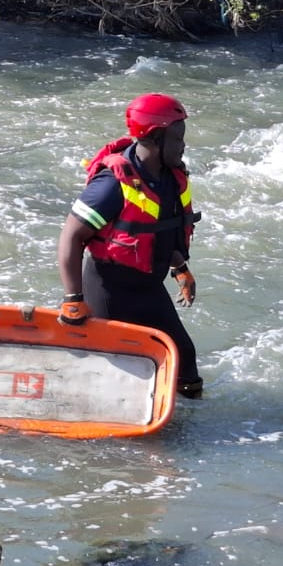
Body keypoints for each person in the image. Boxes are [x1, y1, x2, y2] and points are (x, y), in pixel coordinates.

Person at [56, 93, 204, 398]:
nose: (184, 146)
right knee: (114, 372)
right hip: (109, 288)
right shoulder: (112, 184)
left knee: (183, 359)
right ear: (155, 137)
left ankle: (186, 434)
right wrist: (73, 298)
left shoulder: (170, 179)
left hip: (148, 288)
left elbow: (162, 230)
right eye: (178, 138)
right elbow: (71, 236)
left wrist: (180, 269)